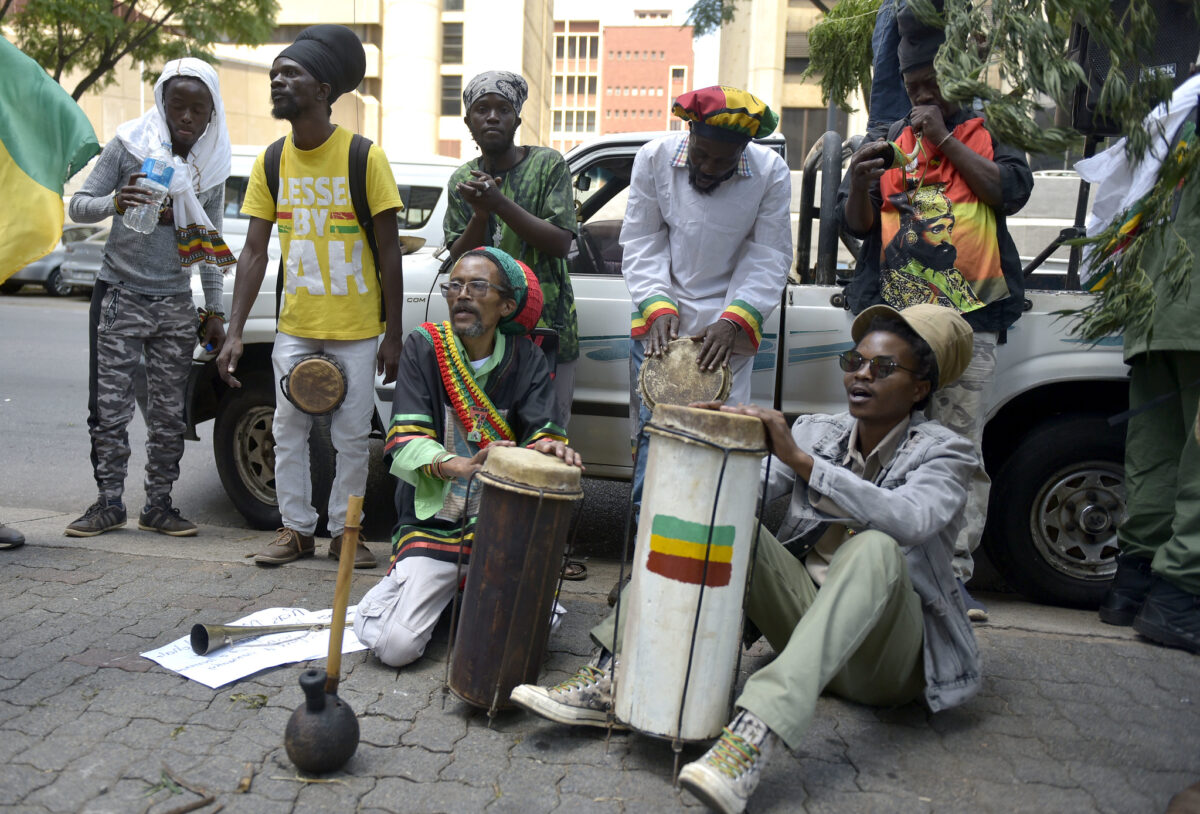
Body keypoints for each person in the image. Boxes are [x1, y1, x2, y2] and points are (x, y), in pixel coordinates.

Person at [512, 303, 981, 814]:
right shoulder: (819, 432)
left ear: (919, 389)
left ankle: (752, 736)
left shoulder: (947, 453)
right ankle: (613, 672)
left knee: (875, 546)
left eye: (883, 368)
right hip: (806, 630)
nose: (862, 375)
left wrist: (801, 463)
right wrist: (719, 440)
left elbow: (909, 518)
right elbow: (740, 492)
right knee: (726, 519)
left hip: (885, 665)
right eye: (855, 361)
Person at [838, 15, 1034, 619]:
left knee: (956, 447)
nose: (921, 96)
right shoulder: (893, 136)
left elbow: (1010, 192)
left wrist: (945, 138)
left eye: (930, 85)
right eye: (911, 85)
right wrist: (857, 183)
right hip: (897, 319)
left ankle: (950, 578)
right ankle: (877, 568)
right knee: (881, 444)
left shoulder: (987, 129)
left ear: (955, 78)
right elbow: (860, 228)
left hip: (968, 320)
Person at [217, 25, 405, 569]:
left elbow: (390, 253)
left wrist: (392, 333)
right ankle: (296, 530)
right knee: (287, 428)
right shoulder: (272, 161)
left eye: (290, 72)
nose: (277, 80)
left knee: (351, 437)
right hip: (295, 324)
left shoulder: (364, 158)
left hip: (356, 327)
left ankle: (348, 534)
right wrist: (234, 332)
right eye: (275, 72)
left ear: (323, 90)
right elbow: (253, 253)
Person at [353, 247, 581, 666]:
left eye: (477, 286)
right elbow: (405, 436)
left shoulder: (526, 356)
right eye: (454, 286)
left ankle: (460, 598)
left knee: (532, 633)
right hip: (434, 525)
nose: (462, 295)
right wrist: (459, 464)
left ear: (507, 305)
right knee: (394, 648)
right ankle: (429, 594)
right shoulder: (425, 346)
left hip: (497, 528)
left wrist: (550, 446)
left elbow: (542, 430)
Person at [66, 58, 233, 538]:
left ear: (211, 114)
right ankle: (108, 503)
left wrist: (214, 310)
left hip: (176, 305)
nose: (185, 117)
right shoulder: (128, 145)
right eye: (176, 105)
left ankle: (158, 505)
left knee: (168, 414)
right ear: (161, 103)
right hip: (120, 293)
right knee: (110, 409)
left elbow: (208, 240)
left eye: (197, 109)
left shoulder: (211, 166)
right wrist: (117, 201)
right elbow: (79, 205)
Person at [622, 85, 793, 510]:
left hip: (726, 332)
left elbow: (769, 254)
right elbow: (643, 240)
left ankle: (708, 549)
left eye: (723, 161)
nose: (707, 167)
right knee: (656, 441)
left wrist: (733, 319)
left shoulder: (771, 171)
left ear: (744, 150)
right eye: (700, 155)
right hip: (662, 326)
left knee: (721, 446)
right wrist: (658, 305)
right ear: (690, 133)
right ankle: (645, 551)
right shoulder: (654, 157)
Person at [1094, 71, 1200, 655]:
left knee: (1157, 452)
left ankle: (1132, 585)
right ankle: (1182, 596)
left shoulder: (1179, 110)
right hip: (1193, 307)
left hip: (1156, 308)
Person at [443, 71, 579, 430]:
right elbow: (459, 258)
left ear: (516, 119)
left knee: (543, 437)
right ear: (468, 121)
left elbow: (560, 242)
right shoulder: (461, 180)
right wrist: (481, 214)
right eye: (481, 109)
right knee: (482, 433)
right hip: (481, 333)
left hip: (547, 328)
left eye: (502, 109)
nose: (491, 116)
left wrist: (500, 204)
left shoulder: (548, 165)